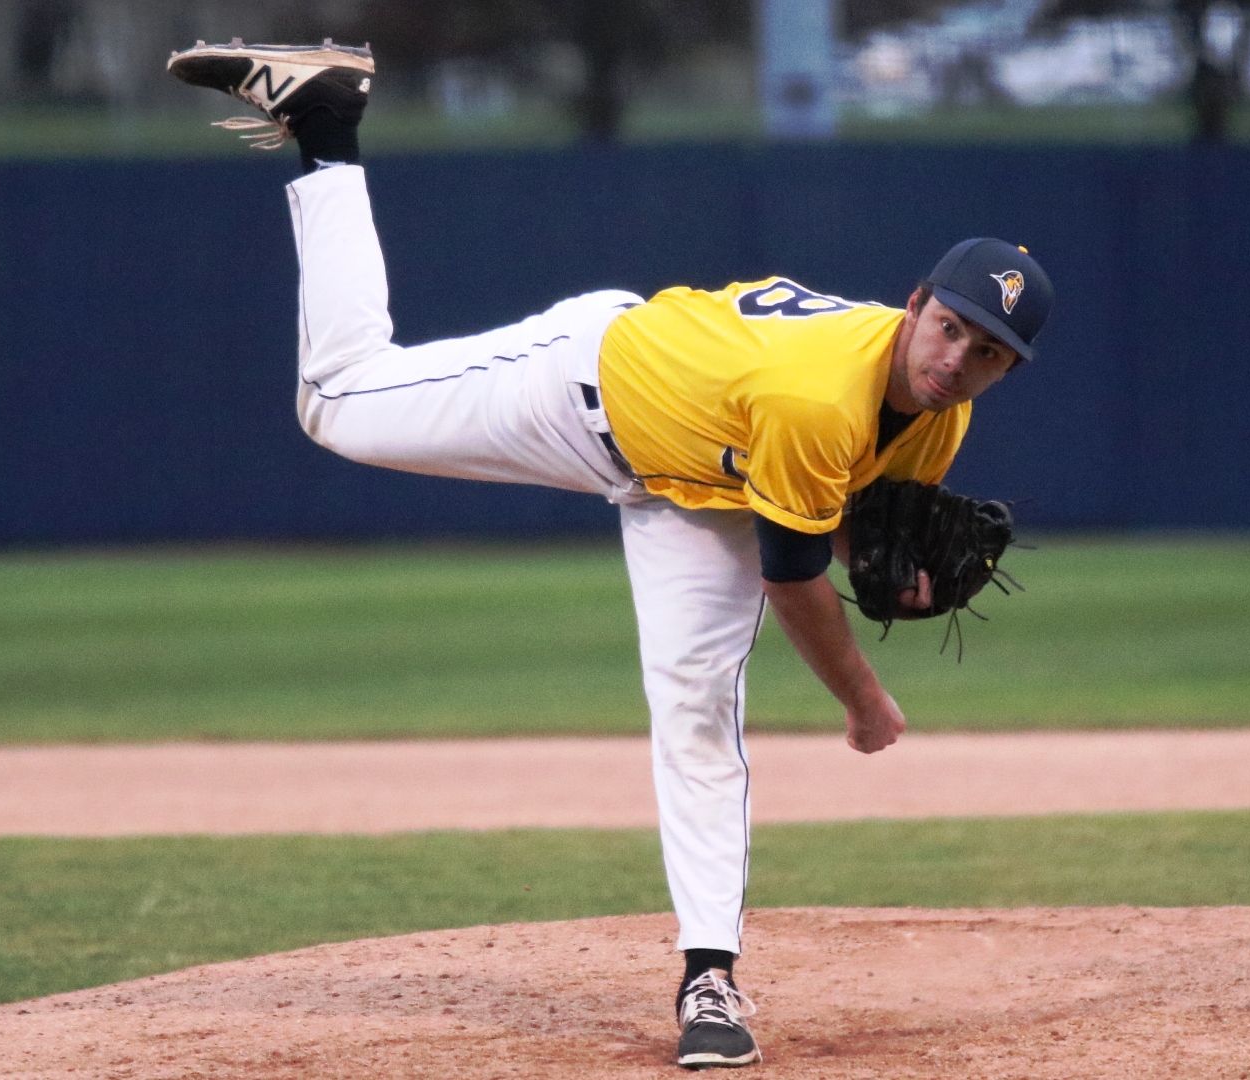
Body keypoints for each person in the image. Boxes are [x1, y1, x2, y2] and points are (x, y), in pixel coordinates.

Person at [168, 39, 1054, 1071]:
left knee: (695, 704)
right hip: (584, 388)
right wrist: (864, 700)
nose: (959, 361)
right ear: (915, 303)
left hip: (701, 485)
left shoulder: (938, 420)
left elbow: (831, 522)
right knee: (340, 404)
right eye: (951, 328)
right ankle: (327, 128)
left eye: (990, 353)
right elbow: (796, 573)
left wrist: (884, 554)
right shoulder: (821, 396)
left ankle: (709, 979)